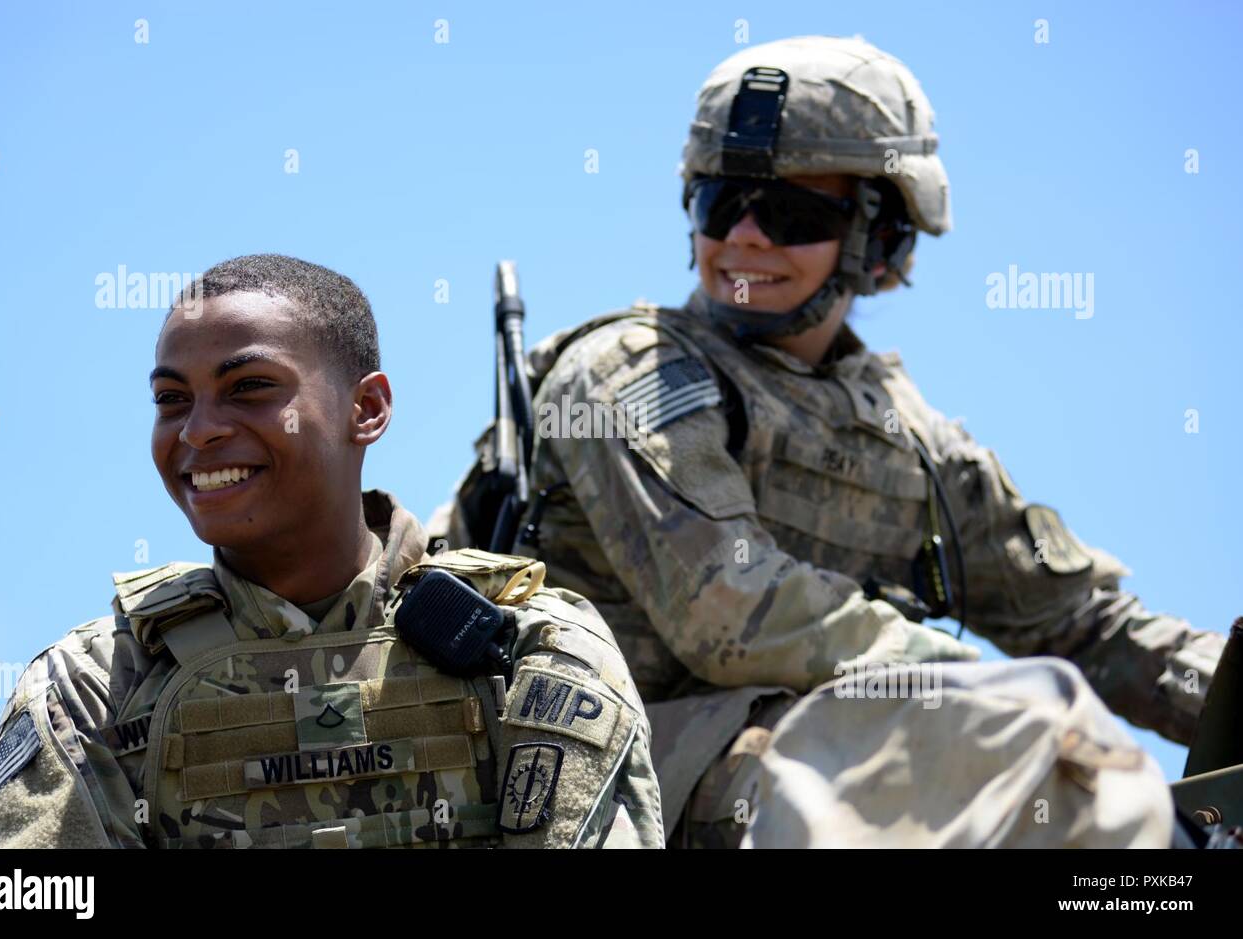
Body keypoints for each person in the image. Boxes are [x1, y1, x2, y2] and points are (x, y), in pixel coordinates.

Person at [432, 36, 1226, 847]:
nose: (743, 238)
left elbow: (1083, 624)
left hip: (776, 757)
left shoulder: (911, 443)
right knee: (970, 759)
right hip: (593, 771)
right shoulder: (630, 372)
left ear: (879, 241)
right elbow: (728, 609)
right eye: (719, 202)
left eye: (792, 214)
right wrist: (979, 691)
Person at [0, 254, 663, 849]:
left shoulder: (530, 646)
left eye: (249, 388)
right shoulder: (94, 684)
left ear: (368, 409)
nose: (199, 430)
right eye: (173, 399)